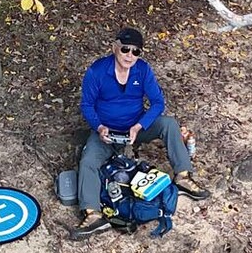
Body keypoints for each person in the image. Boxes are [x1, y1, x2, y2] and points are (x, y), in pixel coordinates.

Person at [72, 27, 209, 238]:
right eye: (125, 49)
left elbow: (157, 103)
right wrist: (99, 127)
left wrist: (139, 126)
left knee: (169, 124)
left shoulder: (143, 70)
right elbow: (87, 105)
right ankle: (93, 214)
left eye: (136, 52)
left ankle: (183, 177)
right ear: (114, 48)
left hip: (135, 127)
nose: (129, 55)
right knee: (88, 160)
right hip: (106, 131)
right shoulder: (97, 71)